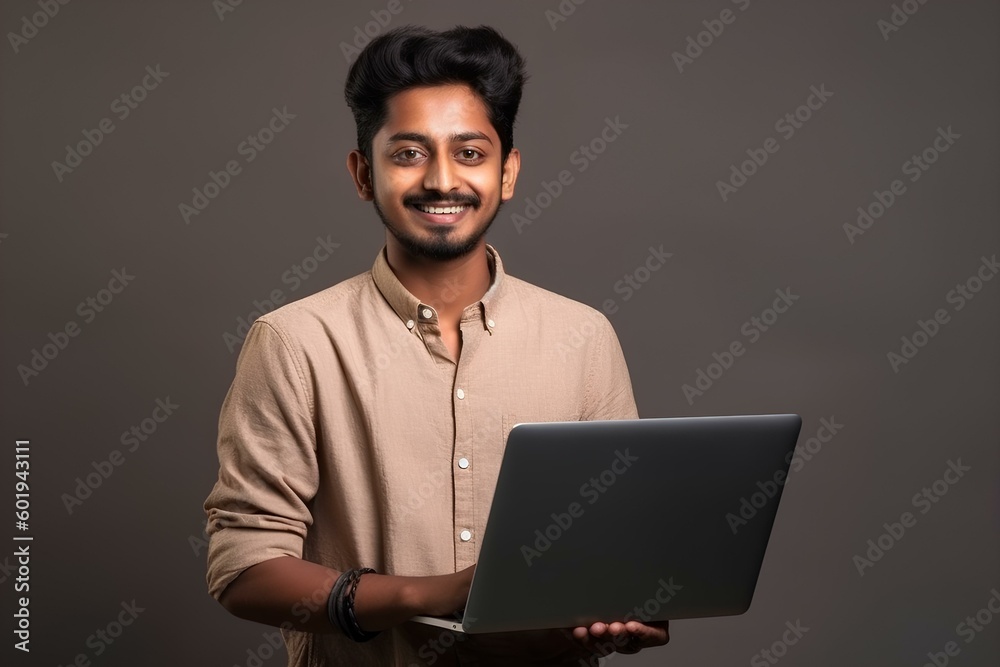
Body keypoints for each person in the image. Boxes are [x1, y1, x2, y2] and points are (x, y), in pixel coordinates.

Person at [204, 24, 669, 666]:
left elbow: (615, 543)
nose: (442, 180)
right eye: (409, 153)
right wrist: (441, 595)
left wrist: (628, 605)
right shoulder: (295, 342)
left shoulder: (583, 336)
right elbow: (245, 568)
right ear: (364, 174)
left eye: (471, 153)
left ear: (508, 173)